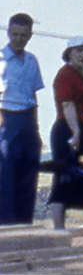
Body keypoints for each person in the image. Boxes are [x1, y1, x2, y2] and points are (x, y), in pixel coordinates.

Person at [48, 37, 83, 229]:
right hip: (66, 128)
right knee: (64, 175)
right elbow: (67, 104)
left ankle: (62, 226)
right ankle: (58, 227)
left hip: (79, 127)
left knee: (76, 174)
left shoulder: (82, 75)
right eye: (79, 51)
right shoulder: (65, 74)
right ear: (69, 53)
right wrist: (75, 132)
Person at [0, 13, 43, 225]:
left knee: (29, 170)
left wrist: (35, 127)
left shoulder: (32, 61)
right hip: (7, 118)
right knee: (6, 173)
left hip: (28, 119)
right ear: (8, 33)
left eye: (23, 35)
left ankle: (24, 223)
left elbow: (33, 96)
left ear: (29, 36)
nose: (18, 39)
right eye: (14, 34)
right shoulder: (1, 61)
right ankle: (6, 226)